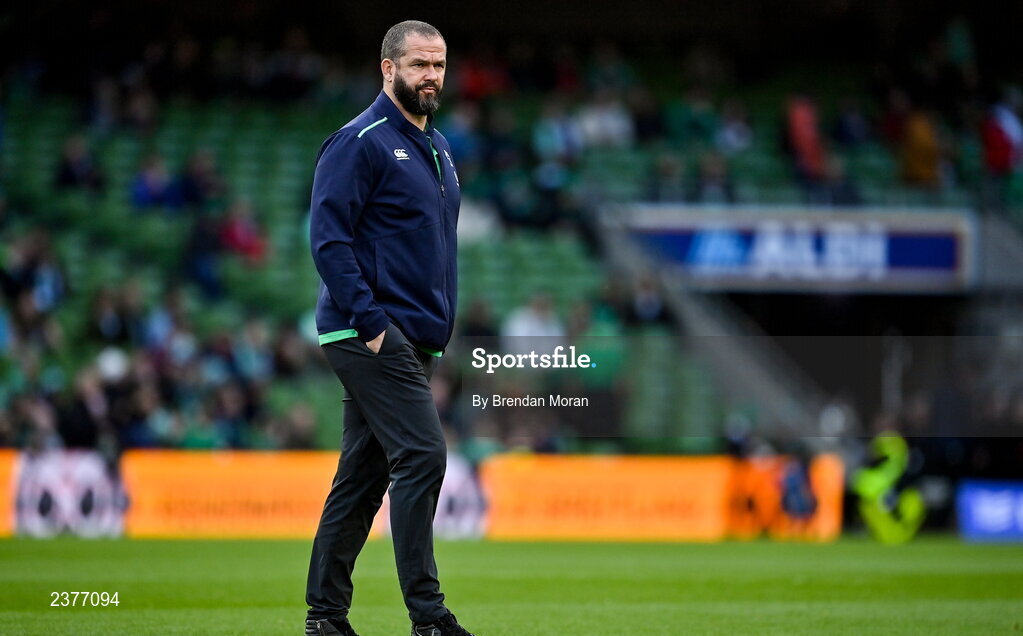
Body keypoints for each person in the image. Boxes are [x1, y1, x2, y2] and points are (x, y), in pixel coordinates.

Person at [304, 21, 474, 636]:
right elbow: (328, 241)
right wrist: (373, 325)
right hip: (369, 333)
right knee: (423, 454)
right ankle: (429, 619)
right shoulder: (360, 141)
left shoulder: (439, 147)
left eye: (439, 65)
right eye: (419, 65)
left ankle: (325, 617)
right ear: (387, 68)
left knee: (363, 476)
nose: (431, 76)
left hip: (412, 337)